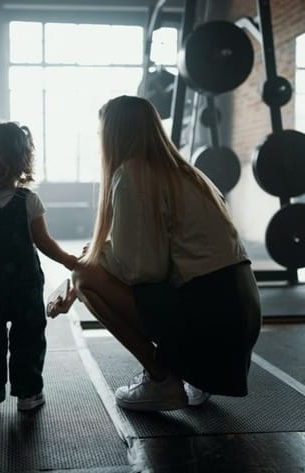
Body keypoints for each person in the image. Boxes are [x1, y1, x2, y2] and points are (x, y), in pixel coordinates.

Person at [71, 95, 261, 411]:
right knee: (89, 267)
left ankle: (161, 380)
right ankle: (197, 375)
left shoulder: (132, 172)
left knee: (84, 278)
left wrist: (92, 260)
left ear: (115, 134)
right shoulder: (185, 172)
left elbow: (143, 270)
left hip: (212, 318)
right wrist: (98, 253)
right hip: (239, 313)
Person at [0, 120, 79, 414]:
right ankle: (28, 393)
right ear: (22, 161)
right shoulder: (30, 201)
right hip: (25, 287)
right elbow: (44, 242)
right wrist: (70, 260)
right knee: (29, 338)